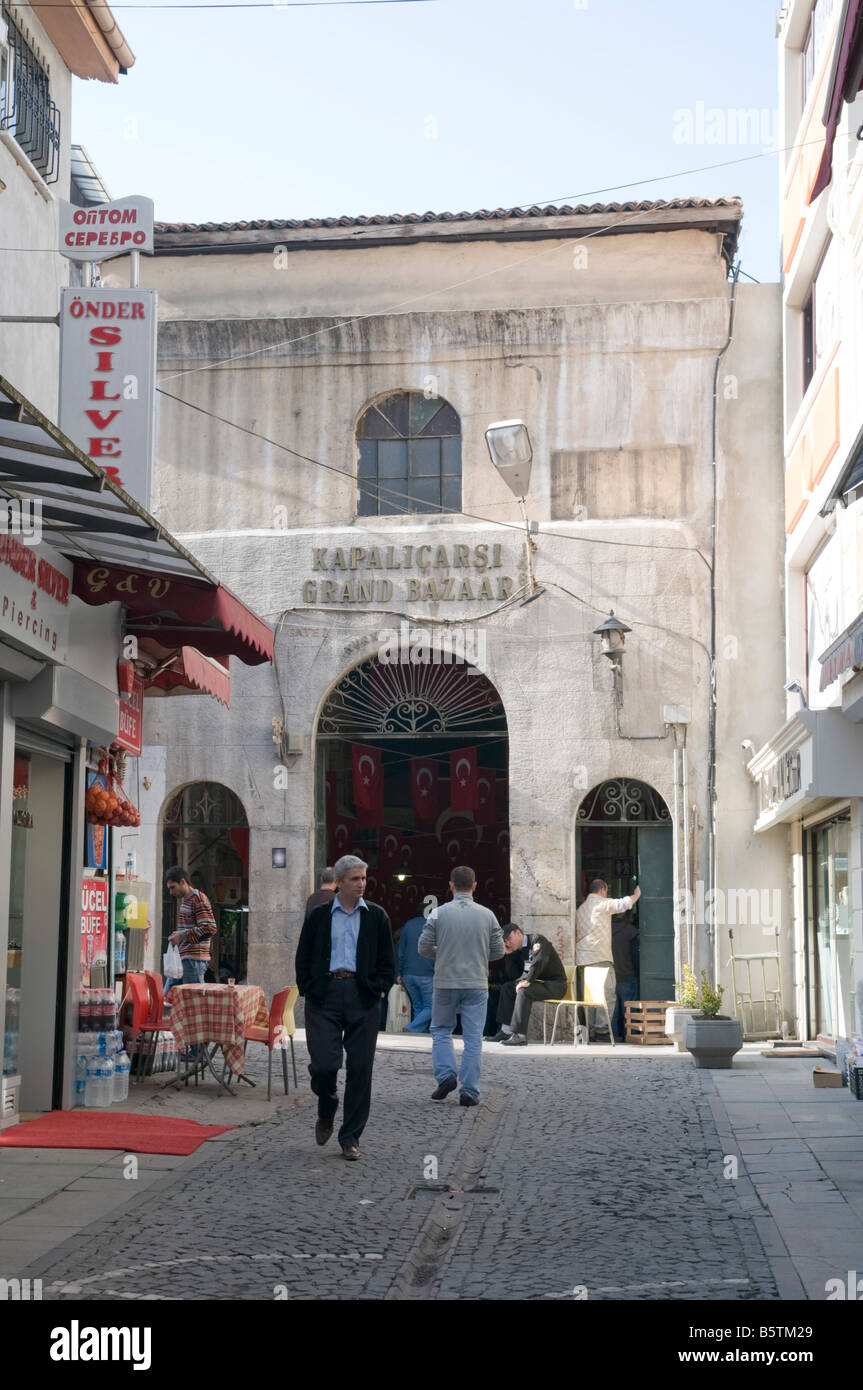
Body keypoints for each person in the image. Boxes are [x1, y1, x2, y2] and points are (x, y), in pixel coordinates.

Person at [295, 854, 395, 1161]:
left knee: (360, 1069)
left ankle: (350, 1137)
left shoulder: (376, 916)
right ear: (339, 882)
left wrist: (377, 987)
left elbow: (388, 961)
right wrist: (309, 987)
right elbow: (303, 956)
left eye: (364, 878)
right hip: (324, 995)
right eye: (355, 879)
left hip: (362, 996)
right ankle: (327, 1105)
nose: (361, 884)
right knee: (324, 1065)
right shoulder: (320, 916)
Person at [418, 865, 504, 1107]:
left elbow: (423, 947)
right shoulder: (488, 915)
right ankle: (469, 1091)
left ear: (451, 886)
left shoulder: (438, 913)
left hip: (446, 980)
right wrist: (478, 955)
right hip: (476, 982)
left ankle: (446, 1075)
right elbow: (498, 951)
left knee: (441, 1029)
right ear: (474, 886)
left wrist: (444, 954)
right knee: (473, 1037)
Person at [575, 878, 641, 1038]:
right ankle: (602, 1030)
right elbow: (622, 904)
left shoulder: (581, 909)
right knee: (607, 995)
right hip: (599, 957)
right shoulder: (600, 904)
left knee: (590, 997)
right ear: (603, 890)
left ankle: (591, 1030)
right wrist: (636, 895)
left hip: (583, 959)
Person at [488, 923, 567, 1045]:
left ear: (518, 933)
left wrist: (527, 980)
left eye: (508, 939)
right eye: (504, 941)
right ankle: (506, 1031)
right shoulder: (518, 950)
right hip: (539, 984)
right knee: (507, 988)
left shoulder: (537, 940)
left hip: (555, 985)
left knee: (523, 991)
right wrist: (509, 954)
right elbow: (513, 974)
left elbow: (540, 961)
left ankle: (520, 1035)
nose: (507, 943)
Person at [165, 866, 217, 992]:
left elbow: (209, 928)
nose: (171, 892)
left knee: (193, 999)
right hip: (184, 959)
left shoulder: (198, 899)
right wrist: (178, 935)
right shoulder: (186, 901)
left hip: (194, 961)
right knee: (167, 997)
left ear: (183, 882)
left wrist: (181, 935)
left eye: (173, 887)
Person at [397, 908, 435, 1033]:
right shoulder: (434, 925)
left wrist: (399, 972)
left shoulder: (408, 925)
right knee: (431, 1007)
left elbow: (401, 950)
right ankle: (411, 1028)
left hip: (408, 974)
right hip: (427, 973)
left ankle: (416, 1034)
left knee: (418, 1007)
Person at [611, 910, 640, 1041]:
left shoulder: (605, 930)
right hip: (628, 975)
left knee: (613, 1011)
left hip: (611, 976)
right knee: (630, 1011)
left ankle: (614, 1036)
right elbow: (635, 956)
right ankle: (631, 1036)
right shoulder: (630, 931)